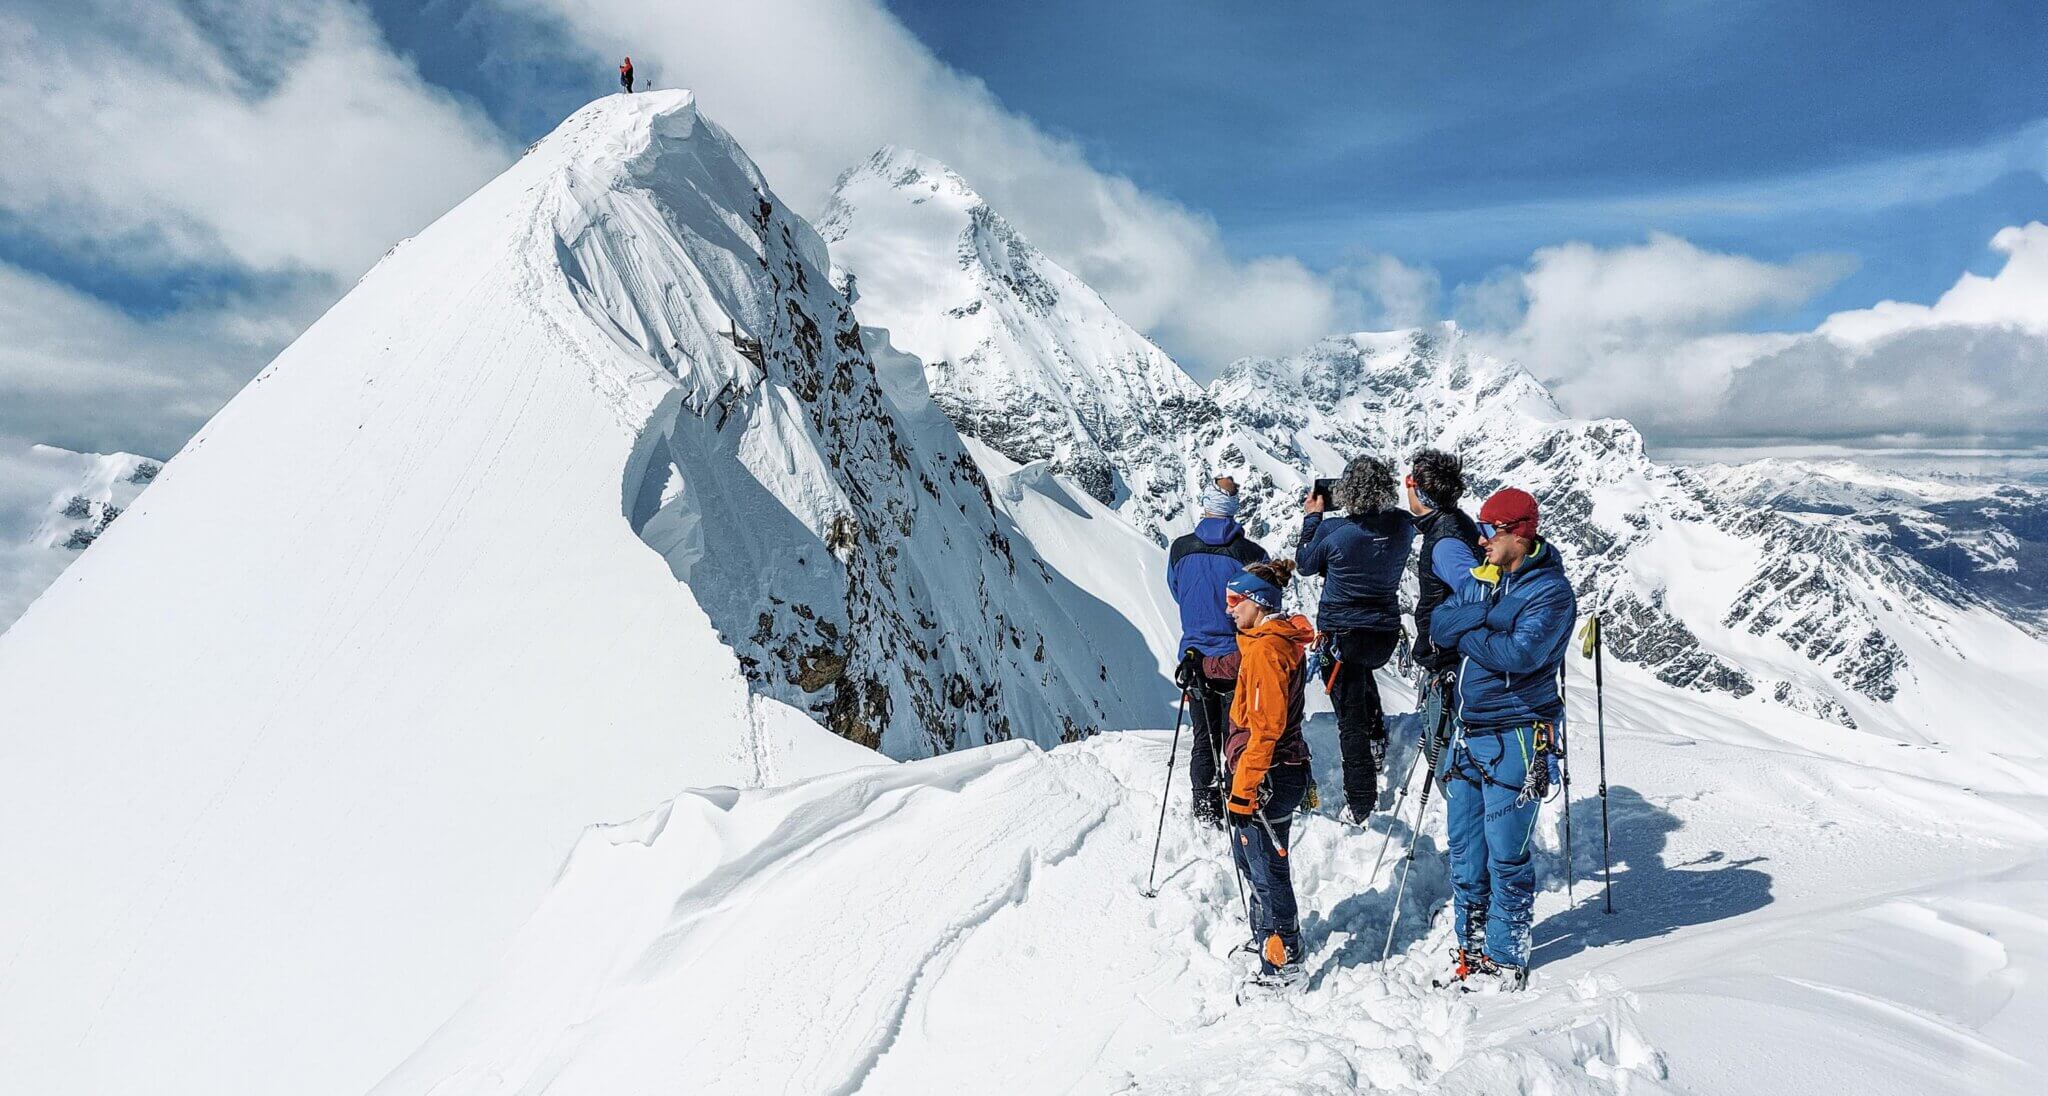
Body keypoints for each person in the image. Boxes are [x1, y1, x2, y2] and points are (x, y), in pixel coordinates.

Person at [1429, 487, 1579, 992]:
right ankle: (1472, 949)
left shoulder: (1551, 593)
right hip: (1471, 734)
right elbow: (1437, 625)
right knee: (1467, 852)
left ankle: (1505, 956)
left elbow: (1522, 654)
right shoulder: (1487, 578)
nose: (1481, 538)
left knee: (1505, 854)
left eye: (1491, 529)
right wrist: (1485, 617)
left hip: (1517, 735)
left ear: (1518, 532)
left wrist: (1469, 632)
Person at [1297, 455, 1416, 823]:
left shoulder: (1336, 532)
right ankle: (1378, 736)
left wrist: (1313, 516)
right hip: (1383, 635)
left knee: (1349, 721)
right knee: (1362, 675)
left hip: (1342, 637)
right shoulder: (1402, 525)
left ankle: (1361, 803)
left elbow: (1304, 563)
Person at [1221, 560, 1315, 992]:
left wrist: (1244, 787)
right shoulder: (1267, 641)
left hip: (1269, 773)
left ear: (1258, 602)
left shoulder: (1265, 650)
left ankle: (1283, 961)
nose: (1229, 610)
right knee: (1259, 861)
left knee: (1264, 867)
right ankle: (1271, 941)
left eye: (1235, 600)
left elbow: (1267, 729)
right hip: (1280, 769)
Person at [1167, 476, 1268, 827]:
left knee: (1203, 738)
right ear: (1234, 509)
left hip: (1195, 658)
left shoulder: (1180, 550)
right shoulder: (1251, 554)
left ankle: (1206, 808)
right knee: (1239, 736)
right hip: (1238, 658)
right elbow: (1263, 605)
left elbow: (1177, 591)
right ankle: (1238, 802)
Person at [1405, 449, 1483, 750]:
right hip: (1450, 659)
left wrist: (1448, 642)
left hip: (1450, 665)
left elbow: (1477, 597)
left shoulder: (1446, 542)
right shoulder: (1452, 525)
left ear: (1423, 493)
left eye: (1410, 481)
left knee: (1447, 761)